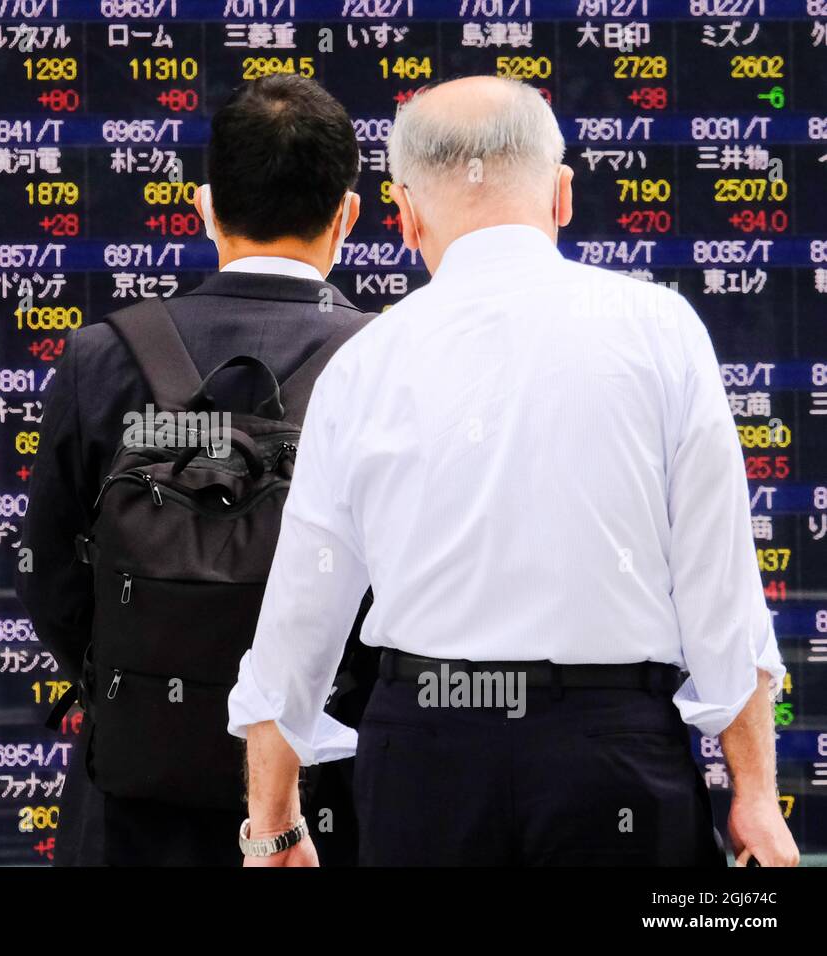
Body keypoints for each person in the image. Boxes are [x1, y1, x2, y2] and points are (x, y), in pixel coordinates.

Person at [228, 75, 800, 867]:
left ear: (405, 215)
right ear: (563, 195)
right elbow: (720, 588)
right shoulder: (661, 331)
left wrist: (275, 818)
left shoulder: (363, 365)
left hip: (424, 763)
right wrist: (758, 798)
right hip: (615, 760)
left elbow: (302, 610)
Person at [17, 74, 371, 866]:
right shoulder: (389, 360)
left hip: (133, 807)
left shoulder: (101, 356)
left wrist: (145, 686)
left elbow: (46, 579)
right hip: (326, 810)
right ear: (348, 212)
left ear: (205, 205)